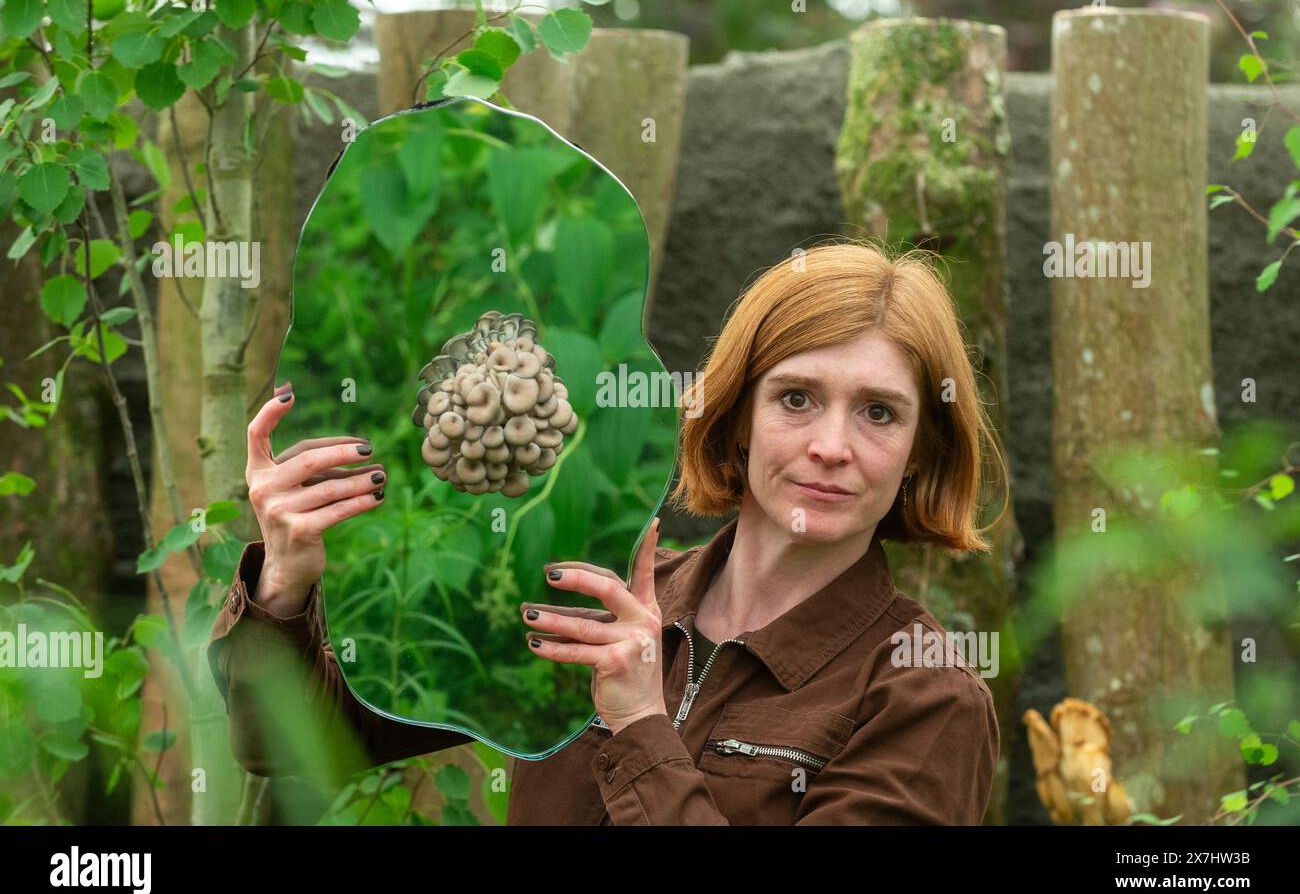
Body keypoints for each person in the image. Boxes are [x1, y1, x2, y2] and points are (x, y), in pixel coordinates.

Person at [208, 238, 1008, 825]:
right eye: (796, 398)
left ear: (916, 456)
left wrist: (639, 727)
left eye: (879, 411)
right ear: (736, 419)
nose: (831, 445)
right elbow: (290, 743)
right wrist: (284, 586)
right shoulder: (591, 594)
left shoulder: (923, 695)